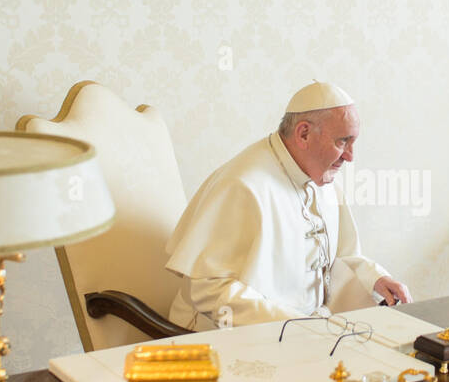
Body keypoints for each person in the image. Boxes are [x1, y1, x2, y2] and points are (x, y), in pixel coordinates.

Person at [165, 81, 411, 330]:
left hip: (304, 333)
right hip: (219, 341)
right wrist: (291, 326)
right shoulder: (242, 185)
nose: (350, 156)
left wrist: (374, 278)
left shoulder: (320, 176)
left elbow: (336, 257)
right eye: (342, 142)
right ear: (303, 133)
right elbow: (207, 289)